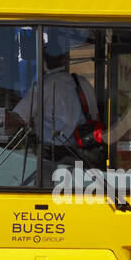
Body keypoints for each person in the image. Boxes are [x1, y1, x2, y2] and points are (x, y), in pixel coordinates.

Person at [6, 32, 98, 162]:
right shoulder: (82, 82)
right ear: (65, 59)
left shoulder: (42, 87)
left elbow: (18, 118)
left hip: (52, 158)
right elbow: (94, 116)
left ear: (43, 60)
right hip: (82, 155)